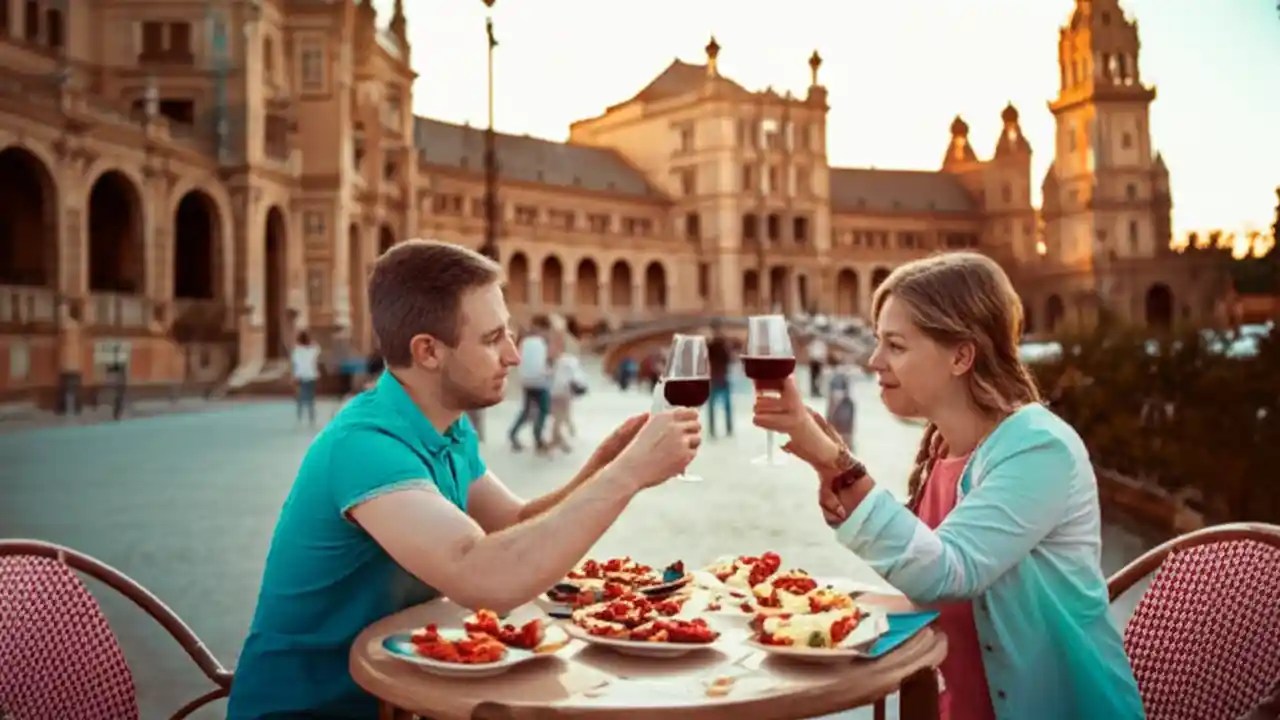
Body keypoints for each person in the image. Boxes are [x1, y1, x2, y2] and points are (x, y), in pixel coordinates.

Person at [227, 240, 702, 719]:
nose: (514, 356)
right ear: (428, 351)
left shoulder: (445, 427)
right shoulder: (366, 445)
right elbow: (485, 576)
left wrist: (599, 466)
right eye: (494, 338)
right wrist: (627, 474)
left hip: (393, 700)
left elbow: (512, 524)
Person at [752, 252, 1143, 720]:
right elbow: (925, 567)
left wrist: (836, 462)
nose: (874, 361)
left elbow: (946, 572)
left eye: (895, 346)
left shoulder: (1039, 448)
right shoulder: (946, 447)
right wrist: (831, 474)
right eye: (878, 342)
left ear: (961, 355)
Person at [508, 315, 552, 453]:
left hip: (527, 381)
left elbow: (520, 360)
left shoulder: (525, 341)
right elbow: (543, 363)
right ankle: (538, 438)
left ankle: (513, 434)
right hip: (540, 382)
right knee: (544, 410)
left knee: (527, 410)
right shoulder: (541, 342)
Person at [548, 329, 586, 453]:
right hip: (562, 393)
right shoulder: (567, 360)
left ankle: (558, 442)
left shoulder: (565, 361)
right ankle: (561, 441)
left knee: (558, 418)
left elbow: (561, 377)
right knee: (561, 417)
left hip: (560, 393)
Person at [706, 322, 734, 438]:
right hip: (719, 379)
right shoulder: (716, 345)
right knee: (723, 407)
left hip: (719, 379)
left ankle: (721, 429)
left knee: (720, 407)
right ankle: (723, 429)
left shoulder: (715, 345)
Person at [290, 330, 321, 426]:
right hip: (311, 375)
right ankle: (311, 418)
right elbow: (318, 349)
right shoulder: (313, 350)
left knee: (300, 396)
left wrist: (293, 376)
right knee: (311, 396)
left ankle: (299, 417)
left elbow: (295, 364)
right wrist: (313, 343)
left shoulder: (296, 350)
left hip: (300, 375)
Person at [806, 333, 828, 397]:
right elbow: (822, 355)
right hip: (815, 362)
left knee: (816, 378)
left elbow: (822, 355)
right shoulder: (819, 345)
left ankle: (815, 391)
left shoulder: (816, 344)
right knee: (816, 378)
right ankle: (815, 391)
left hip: (816, 362)